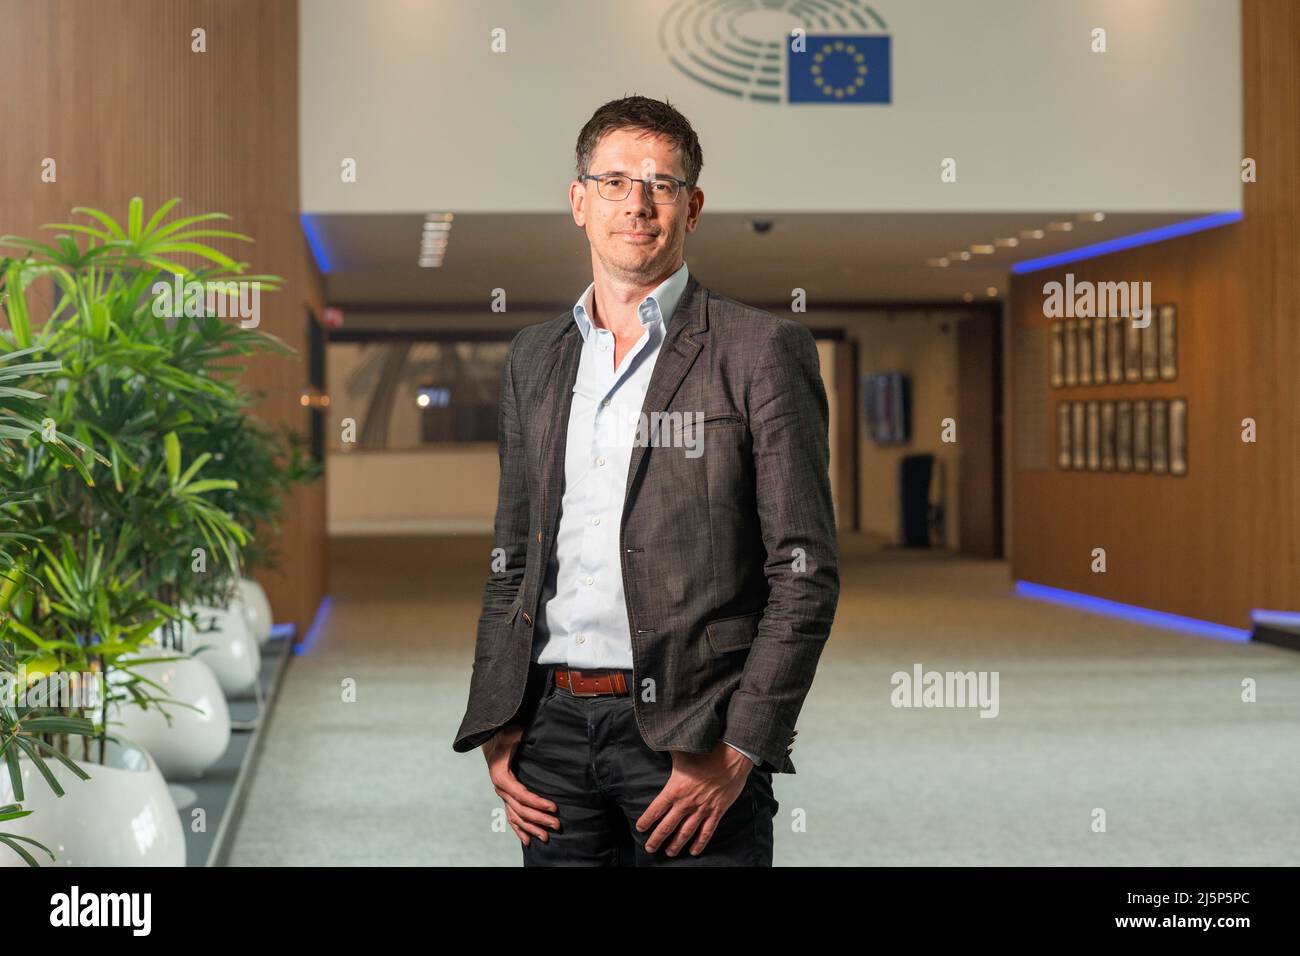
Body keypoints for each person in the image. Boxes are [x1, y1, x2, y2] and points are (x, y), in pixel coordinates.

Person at [452, 94, 839, 866]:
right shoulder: (536, 357)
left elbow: (805, 572)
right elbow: (513, 561)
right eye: (616, 181)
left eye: (663, 184)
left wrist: (741, 746)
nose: (639, 203)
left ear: (692, 208)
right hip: (551, 732)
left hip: (692, 734)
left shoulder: (760, 350)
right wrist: (497, 718)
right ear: (578, 202)